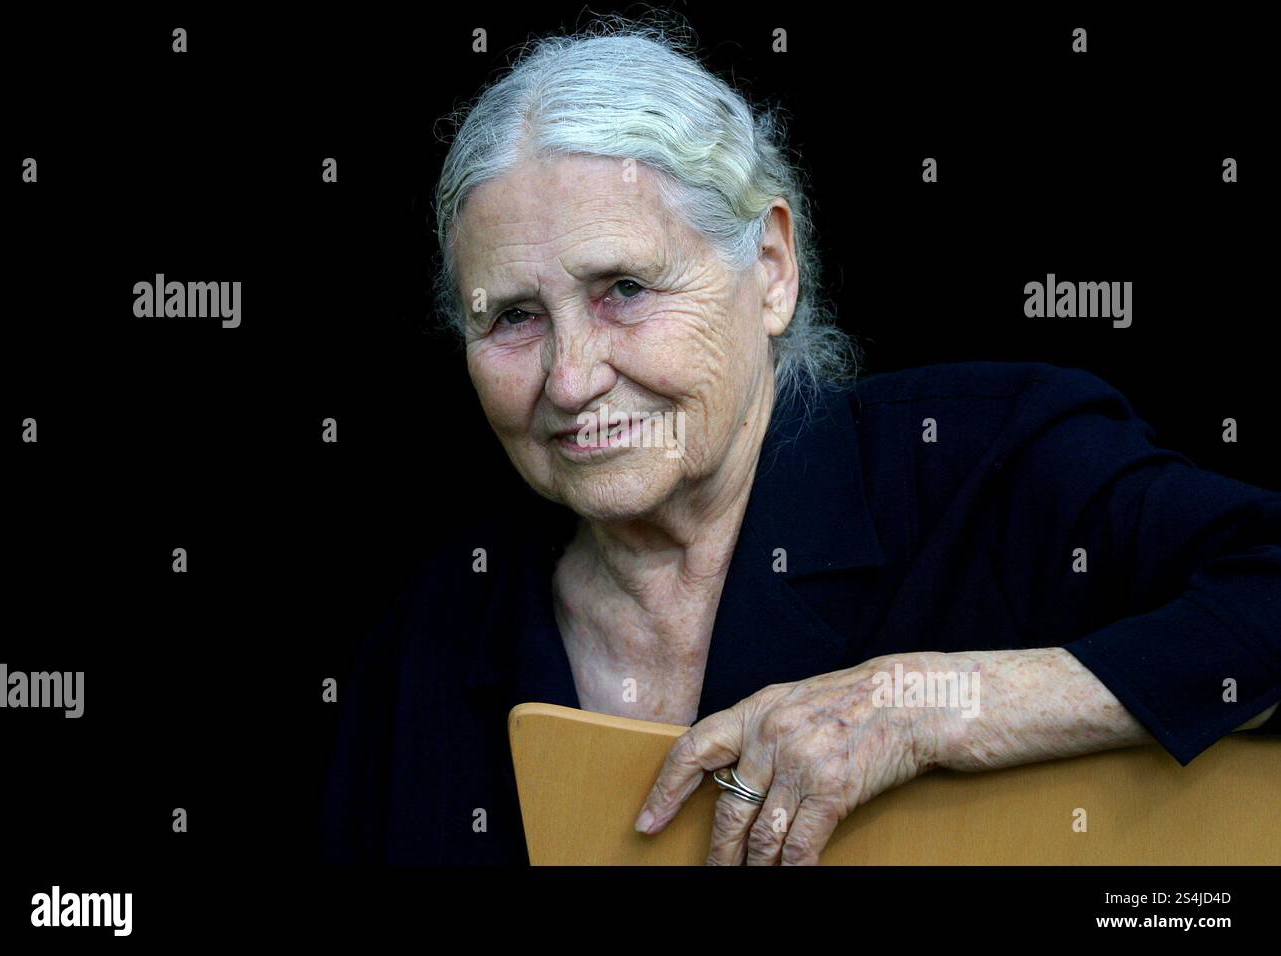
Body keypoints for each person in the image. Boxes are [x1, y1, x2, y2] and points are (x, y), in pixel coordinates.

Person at [320, 19, 1280, 866]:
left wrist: (921, 707)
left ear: (772, 269)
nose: (570, 380)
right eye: (514, 318)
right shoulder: (431, 641)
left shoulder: (997, 461)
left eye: (624, 290)